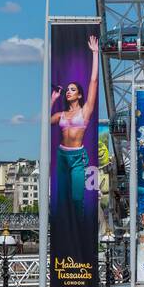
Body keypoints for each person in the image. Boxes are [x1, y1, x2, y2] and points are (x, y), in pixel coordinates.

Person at [50, 35, 99, 209]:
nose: (68, 92)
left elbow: (93, 81)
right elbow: (45, 123)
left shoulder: (85, 111)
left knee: (78, 196)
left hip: (77, 156)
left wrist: (95, 53)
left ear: (79, 94)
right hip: (62, 155)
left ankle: (78, 226)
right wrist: (53, 99)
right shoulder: (61, 114)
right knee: (62, 197)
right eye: (67, 90)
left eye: (73, 90)